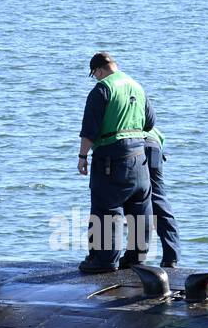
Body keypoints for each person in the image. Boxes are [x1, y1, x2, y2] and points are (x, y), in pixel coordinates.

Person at [76, 52, 152, 274]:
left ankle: (104, 260)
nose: (96, 78)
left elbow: (89, 129)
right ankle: (137, 257)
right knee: (140, 207)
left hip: (111, 157)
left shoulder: (102, 89)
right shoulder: (137, 86)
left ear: (98, 70)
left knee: (106, 208)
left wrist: (82, 157)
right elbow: (150, 122)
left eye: (95, 75)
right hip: (140, 156)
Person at [141, 125, 180, 268]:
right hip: (154, 145)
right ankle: (171, 257)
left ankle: (136, 257)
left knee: (135, 200)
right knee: (159, 200)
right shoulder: (144, 116)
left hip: (134, 148)